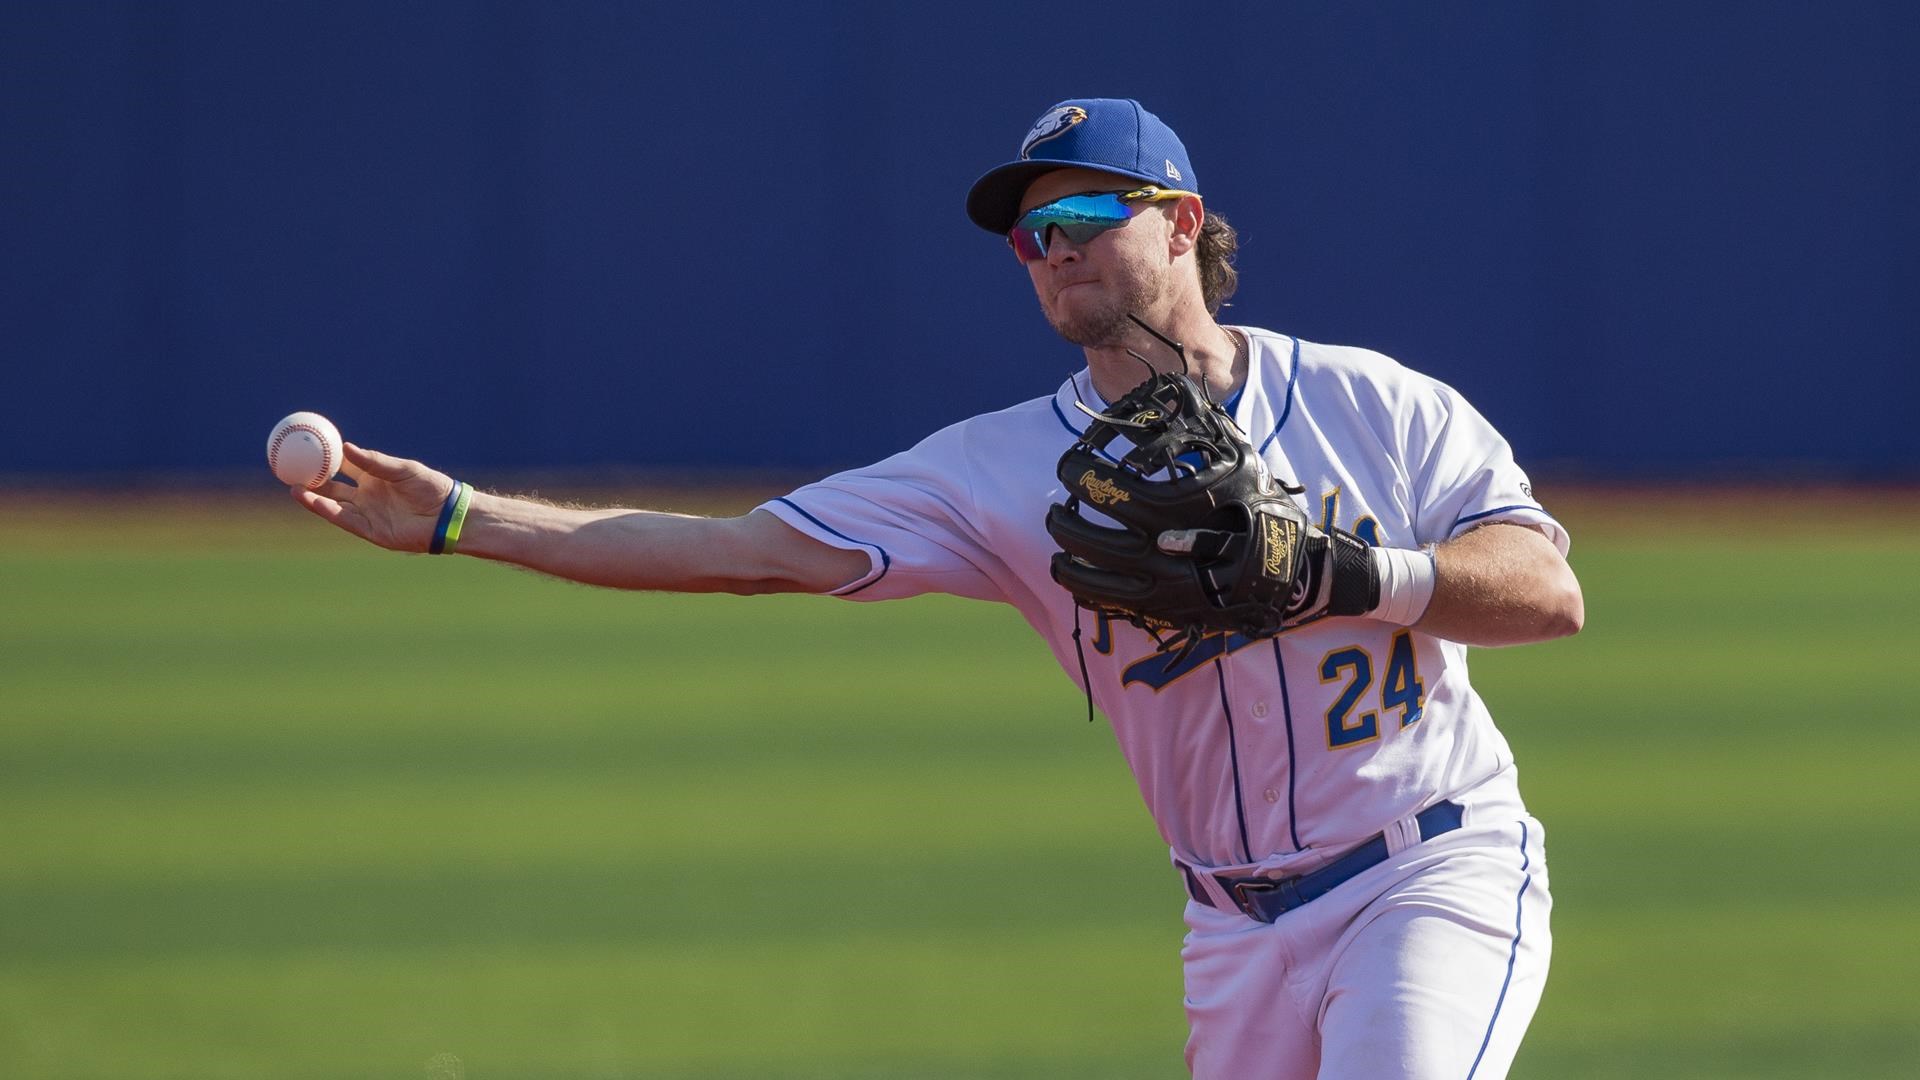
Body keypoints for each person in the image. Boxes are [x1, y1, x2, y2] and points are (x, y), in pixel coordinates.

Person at [293, 98, 1583, 1080]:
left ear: (1182, 223)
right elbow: (747, 549)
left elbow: (1543, 589)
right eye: (1030, 236)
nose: (1049, 250)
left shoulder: (1375, 402)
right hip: (1230, 929)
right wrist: (469, 521)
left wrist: (1349, 572)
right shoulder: (998, 467)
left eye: (1082, 220)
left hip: (1426, 874)